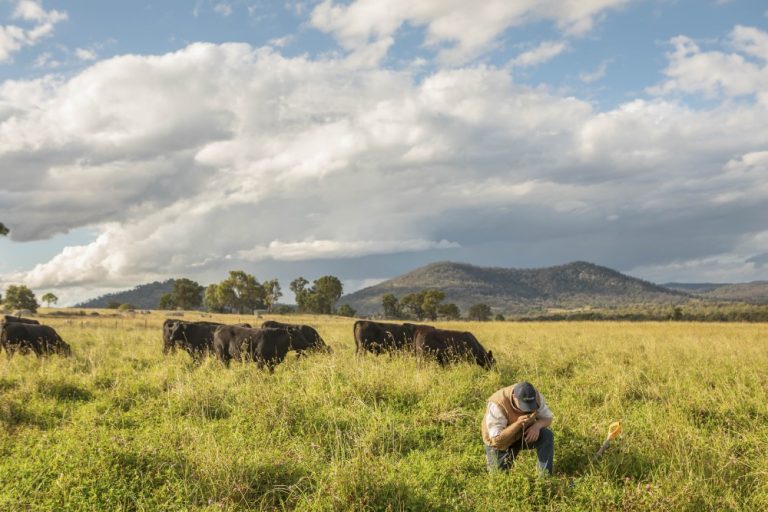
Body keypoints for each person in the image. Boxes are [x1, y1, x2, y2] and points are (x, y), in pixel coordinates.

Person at [481, 381, 554, 475]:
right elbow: (497, 440)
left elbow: (548, 418)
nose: (527, 409)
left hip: (522, 435)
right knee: (498, 478)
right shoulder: (498, 404)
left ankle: (545, 479)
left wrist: (537, 426)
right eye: (524, 405)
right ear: (514, 397)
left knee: (546, 435)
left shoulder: (535, 396)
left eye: (530, 404)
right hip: (500, 444)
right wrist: (518, 424)